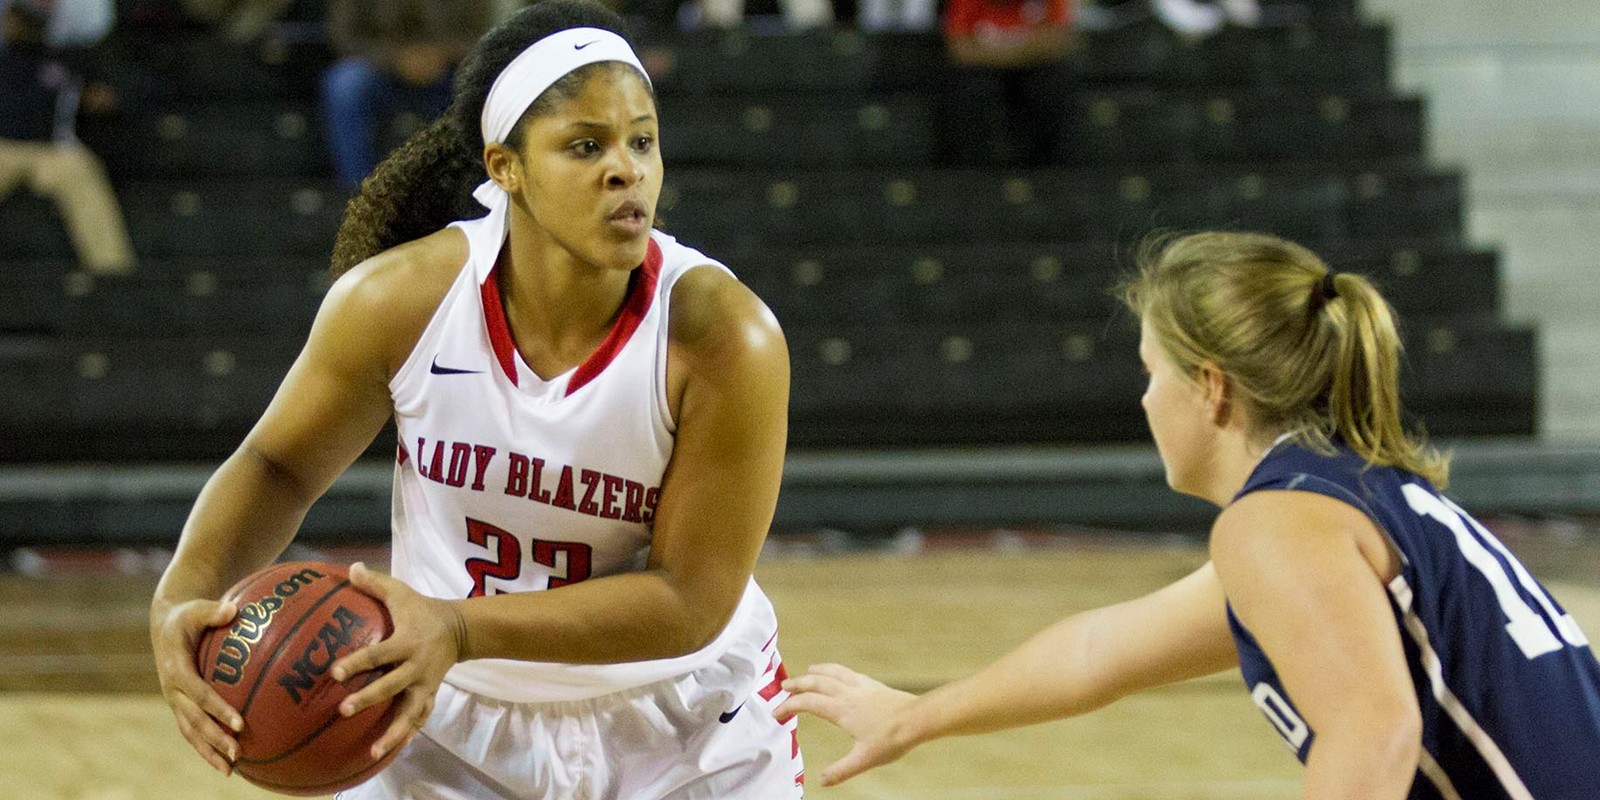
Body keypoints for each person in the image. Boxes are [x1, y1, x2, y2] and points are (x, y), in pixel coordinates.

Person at [150, 1, 803, 797]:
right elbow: (279, 463)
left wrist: (456, 626)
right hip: (444, 712)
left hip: (682, 722)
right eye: (585, 146)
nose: (626, 169)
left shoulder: (725, 336)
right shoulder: (401, 300)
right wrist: (183, 592)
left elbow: (689, 599)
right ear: (506, 167)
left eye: (642, 140)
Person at [778, 231, 1600, 797]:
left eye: (1150, 372)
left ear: (1210, 387)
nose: (1142, 399)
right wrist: (916, 715)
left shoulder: (1277, 523)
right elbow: (1098, 652)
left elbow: (1374, 735)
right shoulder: (1331, 501)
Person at [0, 0, 136, 274]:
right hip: (4, 148)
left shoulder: (67, 59)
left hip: (55, 150)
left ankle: (113, 273)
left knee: (84, 173)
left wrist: (98, 96)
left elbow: (111, 94)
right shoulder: (4, 61)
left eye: (28, 19)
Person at [322, 0, 492, 188]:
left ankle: (475, 188)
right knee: (346, 84)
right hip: (380, 72)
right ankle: (355, 192)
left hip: (444, 72)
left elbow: (483, 37)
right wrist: (397, 59)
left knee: (483, 83)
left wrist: (439, 54)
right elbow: (344, 37)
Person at [939, 0, 1074, 167]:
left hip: (1029, 70)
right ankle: (976, 173)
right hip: (985, 72)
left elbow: (1055, 42)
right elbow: (960, 48)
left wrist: (996, 51)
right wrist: (1020, 50)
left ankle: (1046, 171)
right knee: (969, 87)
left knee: (1052, 82)